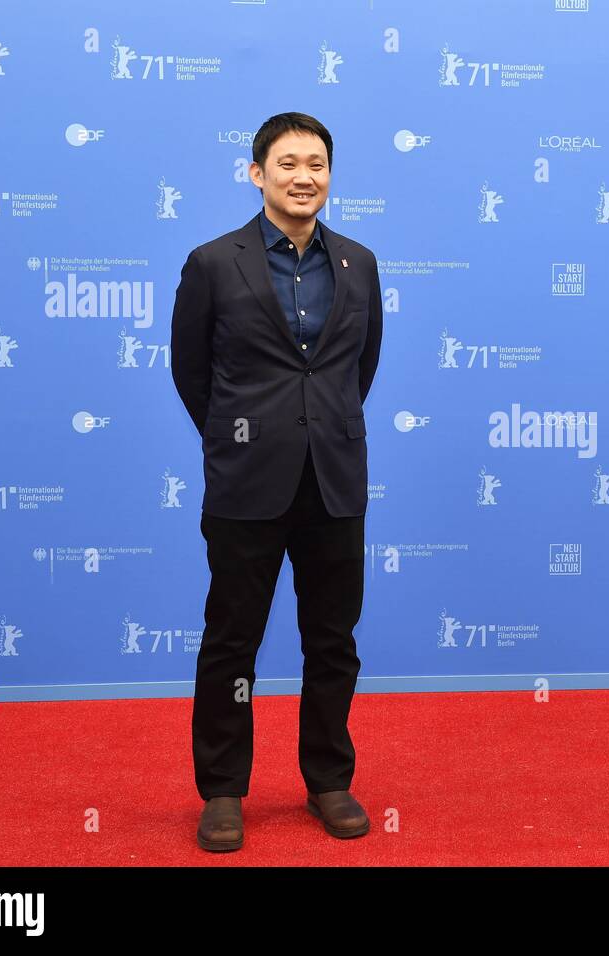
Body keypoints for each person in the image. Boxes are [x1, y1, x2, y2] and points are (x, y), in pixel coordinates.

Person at [170, 111, 383, 850]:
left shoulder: (359, 262)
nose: (305, 176)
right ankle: (223, 790)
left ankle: (328, 780)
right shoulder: (213, 262)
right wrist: (242, 436)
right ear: (257, 173)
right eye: (288, 163)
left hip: (334, 480)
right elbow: (192, 373)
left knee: (333, 641)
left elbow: (360, 370)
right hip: (246, 483)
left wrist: (319, 427)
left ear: (330, 175)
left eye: (317, 163)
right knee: (232, 643)